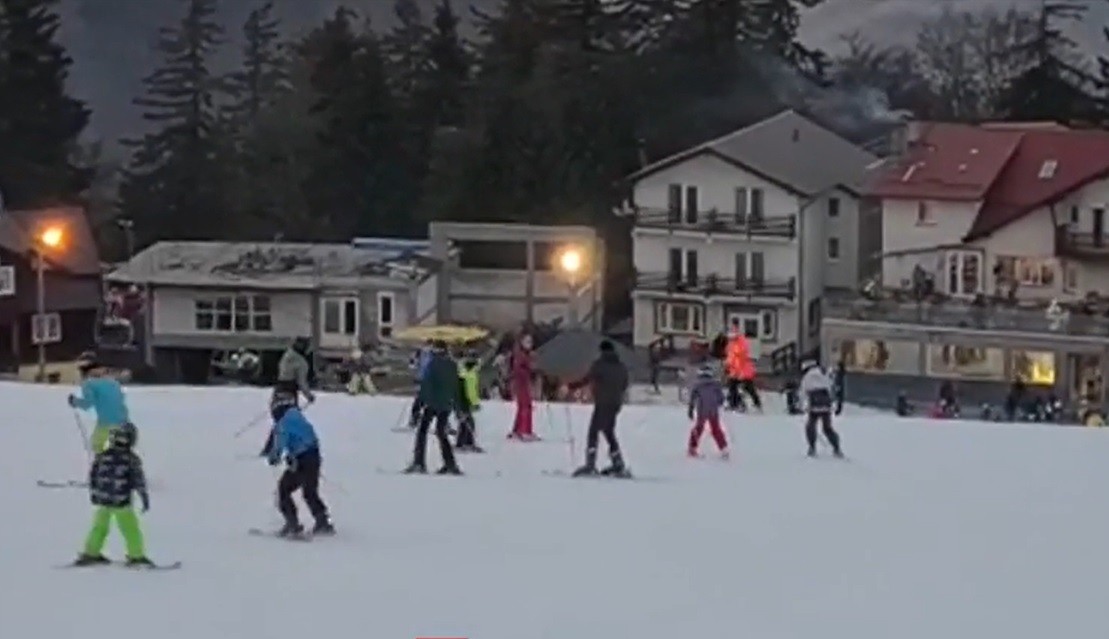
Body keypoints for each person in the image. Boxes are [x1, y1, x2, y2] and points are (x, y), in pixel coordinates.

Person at [72, 423, 153, 566]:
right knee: (130, 529)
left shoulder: (102, 456)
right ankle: (136, 555)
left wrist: (95, 493)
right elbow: (138, 480)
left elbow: (93, 475)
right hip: (121, 502)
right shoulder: (131, 459)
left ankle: (91, 552)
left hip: (103, 500)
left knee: (99, 528)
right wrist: (144, 497)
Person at [267, 395, 333, 537]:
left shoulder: (283, 423)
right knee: (310, 491)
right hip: (313, 457)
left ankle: (293, 523)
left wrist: (274, 458)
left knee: (284, 490)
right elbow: (306, 438)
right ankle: (323, 521)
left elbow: (279, 446)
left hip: (301, 460)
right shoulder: (299, 417)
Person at [570, 340, 631, 478]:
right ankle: (618, 462)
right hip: (616, 404)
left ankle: (590, 464)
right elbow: (625, 384)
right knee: (609, 431)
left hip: (602, 403)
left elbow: (586, 379)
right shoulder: (621, 366)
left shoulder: (599, 365)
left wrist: (570, 387)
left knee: (593, 431)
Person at [406, 340, 462, 474]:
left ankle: (419, 462)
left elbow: (427, 386)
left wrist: (418, 405)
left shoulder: (432, 364)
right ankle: (450, 463)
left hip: (432, 403)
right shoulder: (453, 365)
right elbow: (456, 387)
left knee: (422, 431)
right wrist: (459, 407)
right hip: (446, 404)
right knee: (441, 432)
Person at [262, 337, 315, 457]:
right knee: (289, 421)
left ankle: (270, 447)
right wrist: (309, 396)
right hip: (290, 393)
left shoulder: (287, 355)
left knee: (280, 420)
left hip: (279, 390)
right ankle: (285, 448)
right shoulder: (301, 362)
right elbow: (301, 382)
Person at [69, 351, 131, 453]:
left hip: (106, 425)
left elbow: (87, 403)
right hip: (124, 424)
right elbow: (120, 398)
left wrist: (74, 401)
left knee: (98, 447)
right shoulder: (113, 382)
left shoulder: (89, 384)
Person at [799, 360, 843, 458]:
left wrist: (802, 406)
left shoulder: (807, 377)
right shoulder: (823, 373)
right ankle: (836, 447)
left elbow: (803, 392)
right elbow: (830, 387)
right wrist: (833, 403)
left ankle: (812, 447)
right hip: (826, 403)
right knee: (827, 428)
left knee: (811, 425)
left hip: (814, 403)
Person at [687, 365, 728, 458]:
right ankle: (723, 448)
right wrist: (718, 403)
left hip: (702, 410)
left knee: (698, 429)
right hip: (713, 410)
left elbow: (692, 398)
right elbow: (721, 398)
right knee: (716, 429)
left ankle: (692, 448)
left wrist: (690, 409)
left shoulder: (697, 385)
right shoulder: (716, 384)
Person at [724, 322, 761, 411]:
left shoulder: (741, 342)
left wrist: (735, 368)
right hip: (735, 370)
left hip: (744, 370)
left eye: (731, 335)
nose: (730, 337)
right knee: (732, 386)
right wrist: (727, 365)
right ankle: (734, 403)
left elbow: (741, 356)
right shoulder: (731, 344)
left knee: (748, 387)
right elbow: (730, 356)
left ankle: (756, 403)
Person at [508, 334, 538, 440]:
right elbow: (518, 369)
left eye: (530, 342)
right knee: (526, 406)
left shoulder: (527, 355)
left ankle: (518, 429)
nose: (529, 344)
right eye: (527, 342)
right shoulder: (520, 355)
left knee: (523, 406)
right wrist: (529, 370)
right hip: (521, 383)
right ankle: (524, 430)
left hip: (524, 383)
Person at [455, 353, 483, 453]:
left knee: (468, 422)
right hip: (463, 401)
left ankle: (468, 442)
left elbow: (473, 390)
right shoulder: (466, 373)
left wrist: (474, 402)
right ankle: (461, 443)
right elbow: (466, 390)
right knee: (465, 422)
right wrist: (473, 403)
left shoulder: (472, 372)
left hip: (466, 401)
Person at [408, 341, 433, 428]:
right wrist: (412, 362)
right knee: (419, 399)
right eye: (426, 344)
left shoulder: (434, 354)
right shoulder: (418, 353)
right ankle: (415, 418)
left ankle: (444, 424)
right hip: (421, 379)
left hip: (432, 380)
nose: (428, 347)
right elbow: (412, 365)